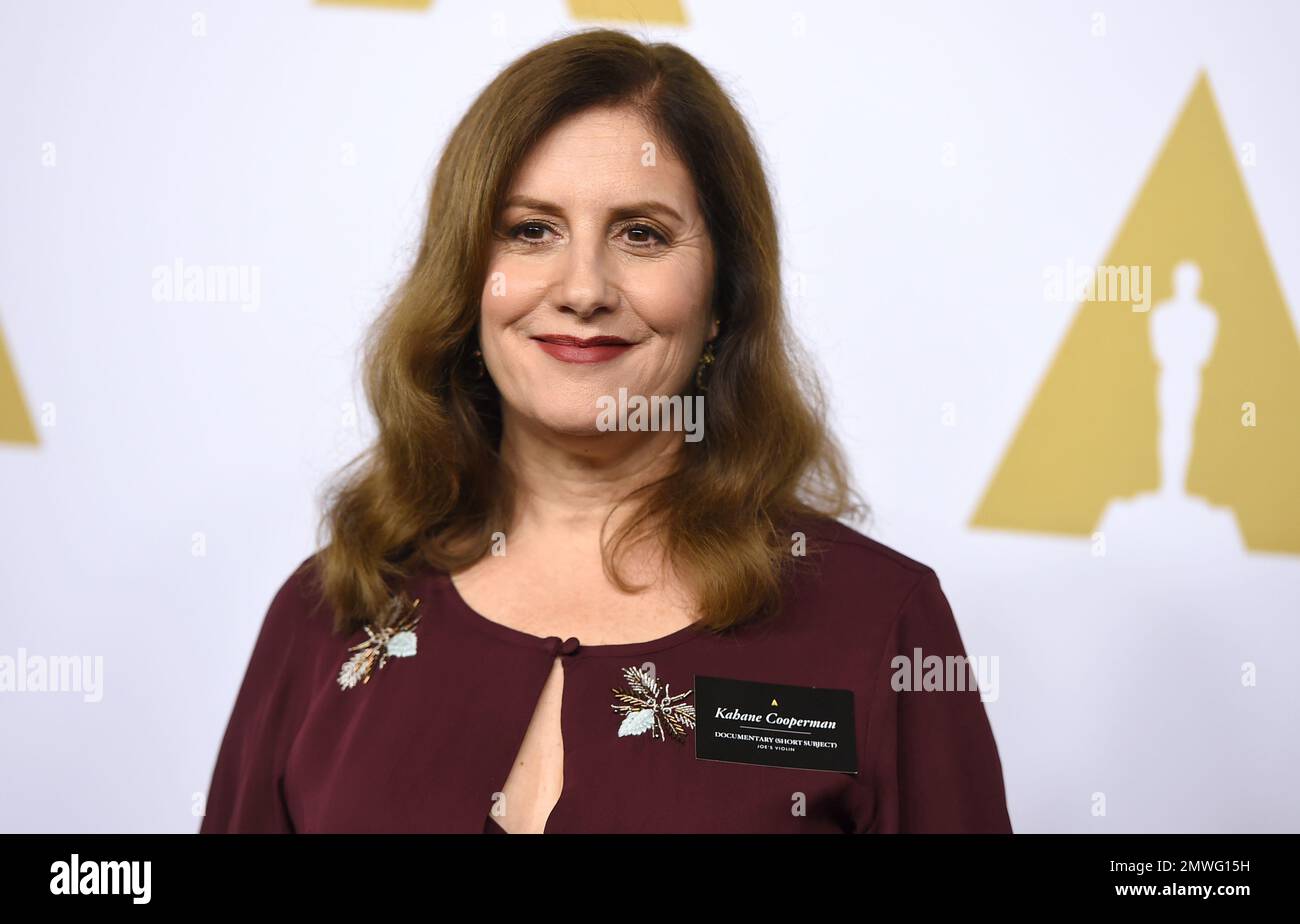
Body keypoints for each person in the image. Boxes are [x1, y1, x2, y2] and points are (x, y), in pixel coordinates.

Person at [199, 27, 1012, 834]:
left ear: (725, 296)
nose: (583, 288)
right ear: (465, 281)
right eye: (531, 230)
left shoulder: (875, 623)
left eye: (642, 234)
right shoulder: (334, 609)